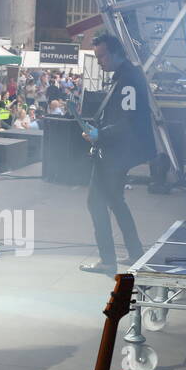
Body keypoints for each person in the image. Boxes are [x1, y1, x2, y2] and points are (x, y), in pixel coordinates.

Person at [79, 32, 155, 274]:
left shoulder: (128, 80)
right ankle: (135, 252)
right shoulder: (126, 76)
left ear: (115, 53)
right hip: (118, 150)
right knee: (115, 200)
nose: (99, 61)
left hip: (116, 153)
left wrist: (101, 135)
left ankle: (108, 260)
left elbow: (128, 121)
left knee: (95, 202)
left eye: (101, 56)